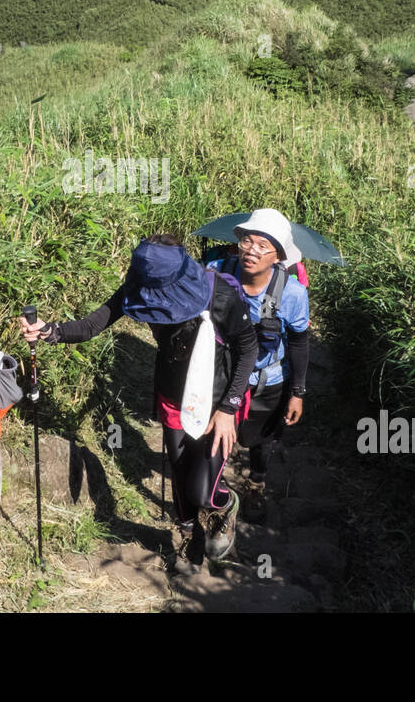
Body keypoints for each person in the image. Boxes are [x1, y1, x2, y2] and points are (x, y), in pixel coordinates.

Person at [20, 235, 257, 574]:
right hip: (173, 396)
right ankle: (189, 536)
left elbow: (248, 349)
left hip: (217, 401)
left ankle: (225, 506)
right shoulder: (140, 286)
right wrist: (50, 331)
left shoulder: (219, 294)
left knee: (203, 491)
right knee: (180, 473)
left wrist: (228, 410)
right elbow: (92, 325)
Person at [205, 209, 310, 523]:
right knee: (214, 434)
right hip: (220, 374)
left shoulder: (292, 294)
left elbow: (299, 342)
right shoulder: (214, 275)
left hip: (268, 378)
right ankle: (214, 494)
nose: (251, 250)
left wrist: (297, 392)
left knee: (261, 439)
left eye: (263, 246)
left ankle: (256, 484)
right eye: (247, 242)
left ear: (278, 256)